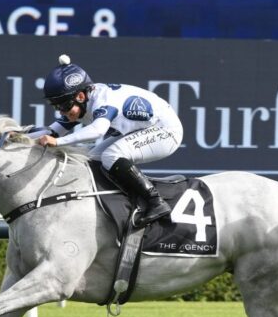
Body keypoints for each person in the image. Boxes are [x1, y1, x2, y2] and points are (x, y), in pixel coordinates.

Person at [28, 54, 183, 226]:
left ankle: (155, 202)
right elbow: (53, 131)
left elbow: (97, 130)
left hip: (165, 131)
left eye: (64, 106)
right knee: (91, 161)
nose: (61, 112)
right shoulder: (82, 102)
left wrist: (57, 143)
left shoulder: (103, 100)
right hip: (138, 129)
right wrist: (19, 136)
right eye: (57, 107)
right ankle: (118, 205)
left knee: (111, 155)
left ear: (80, 96)